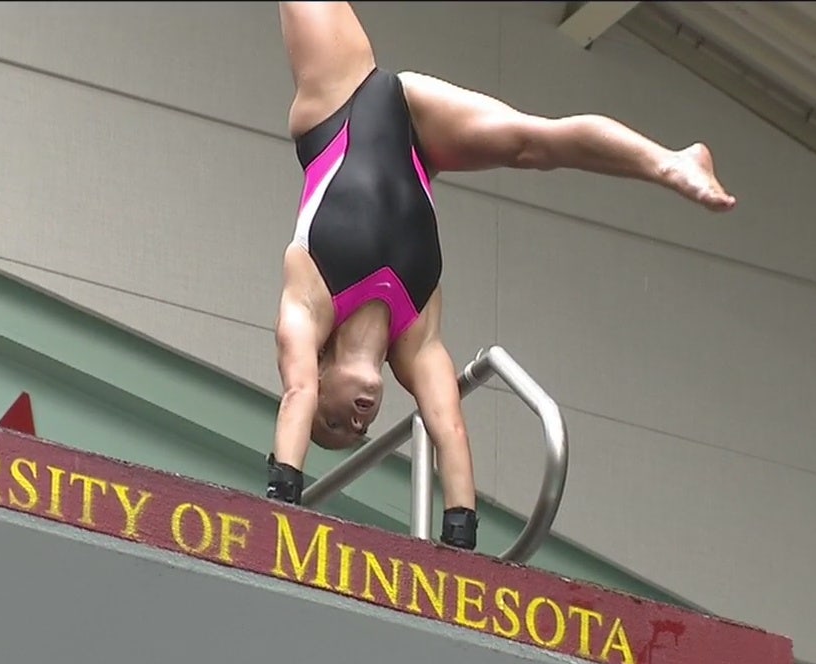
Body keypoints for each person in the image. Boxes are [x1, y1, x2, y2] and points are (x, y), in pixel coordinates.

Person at [265, 1, 735, 551]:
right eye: (359, 433)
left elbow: (295, 390)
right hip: (420, 134)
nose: (360, 424)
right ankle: (670, 162)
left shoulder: (309, 304)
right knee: (532, 143)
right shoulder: (415, 338)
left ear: (322, 378)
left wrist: (282, 501)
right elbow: (449, 430)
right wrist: (460, 537)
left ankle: (670, 161)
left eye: (337, 424)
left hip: (337, 107)